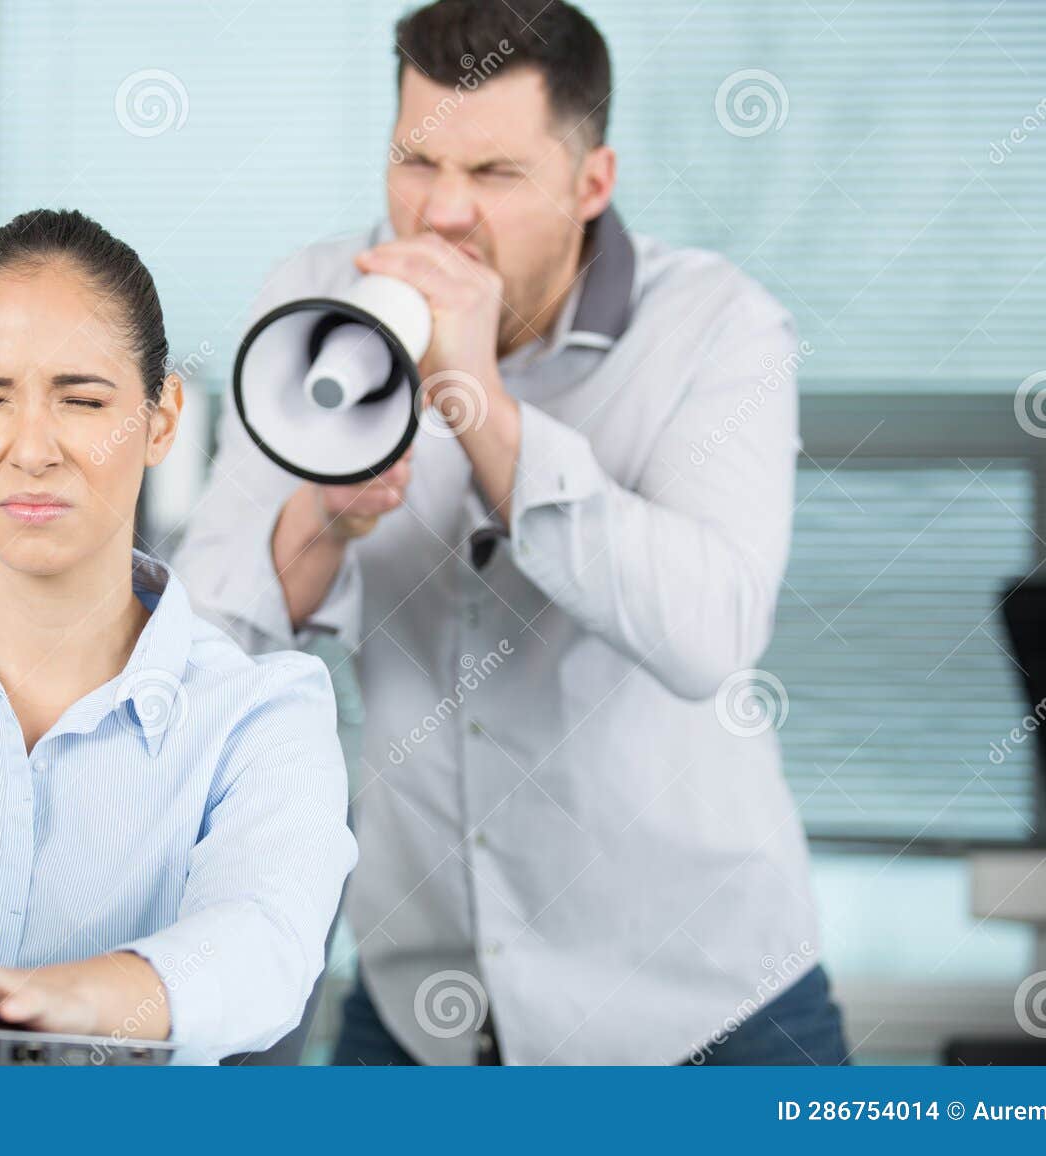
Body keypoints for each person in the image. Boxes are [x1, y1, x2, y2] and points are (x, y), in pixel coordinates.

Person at [173, 0, 846, 1064]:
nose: (440, 214)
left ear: (592, 183)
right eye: (415, 163)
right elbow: (203, 652)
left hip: (703, 1007)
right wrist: (324, 519)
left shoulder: (717, 326)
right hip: (422, 999)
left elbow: (709, 634)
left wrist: (478, 400)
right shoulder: (315, 299)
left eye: (494, 174)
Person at [0, 208, 356, 1064]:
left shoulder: (264, 712)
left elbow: (263, 942)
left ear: (161, 420)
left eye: (83, 401)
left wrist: (59, 1000)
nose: (32, 450)